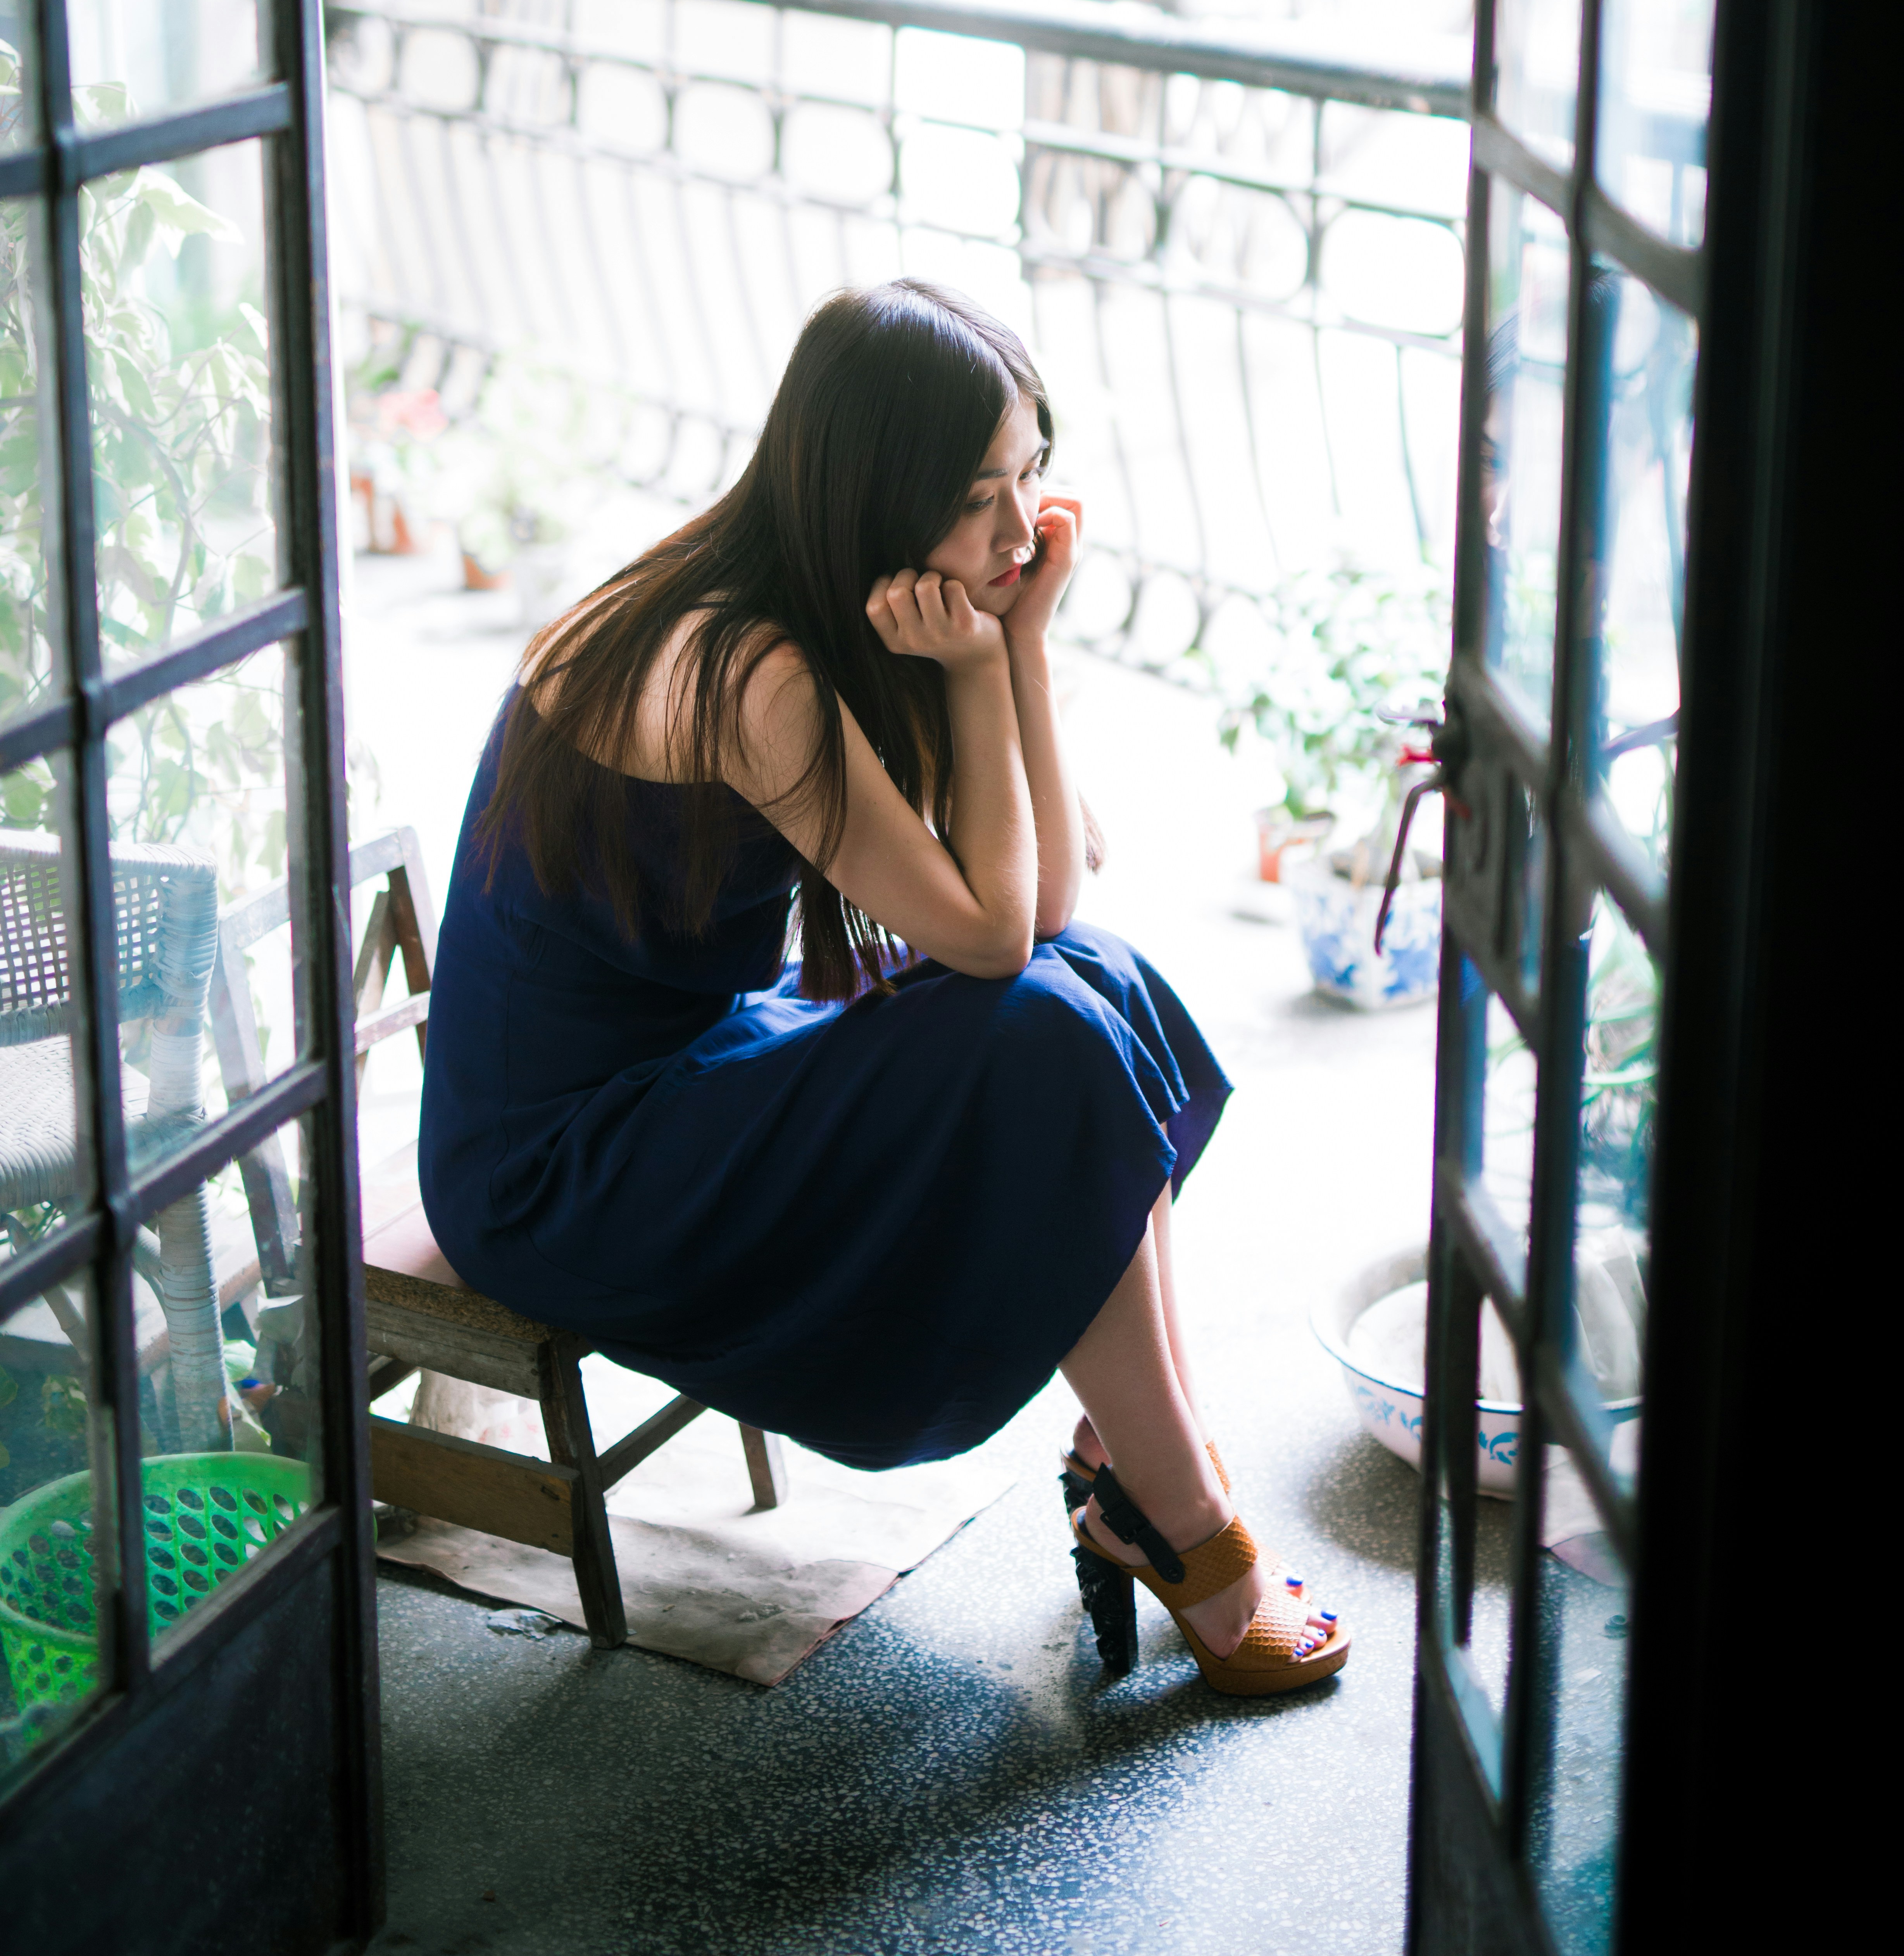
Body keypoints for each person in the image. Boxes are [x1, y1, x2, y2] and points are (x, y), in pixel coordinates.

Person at [419, 281, 1349, 1694]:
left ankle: (1142, 1469)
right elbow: (989, 941)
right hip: (559, 1166)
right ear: (874, 490)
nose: (1021, 526)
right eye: (979, 494)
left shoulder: (835, 603)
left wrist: (1018, 647)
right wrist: (984, 672)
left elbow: (1047, 910)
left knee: (1096, 985)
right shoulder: (749, 665)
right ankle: (1185, 1517)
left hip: (685, 1067)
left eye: (1031, 471)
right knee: (1037, 1038)